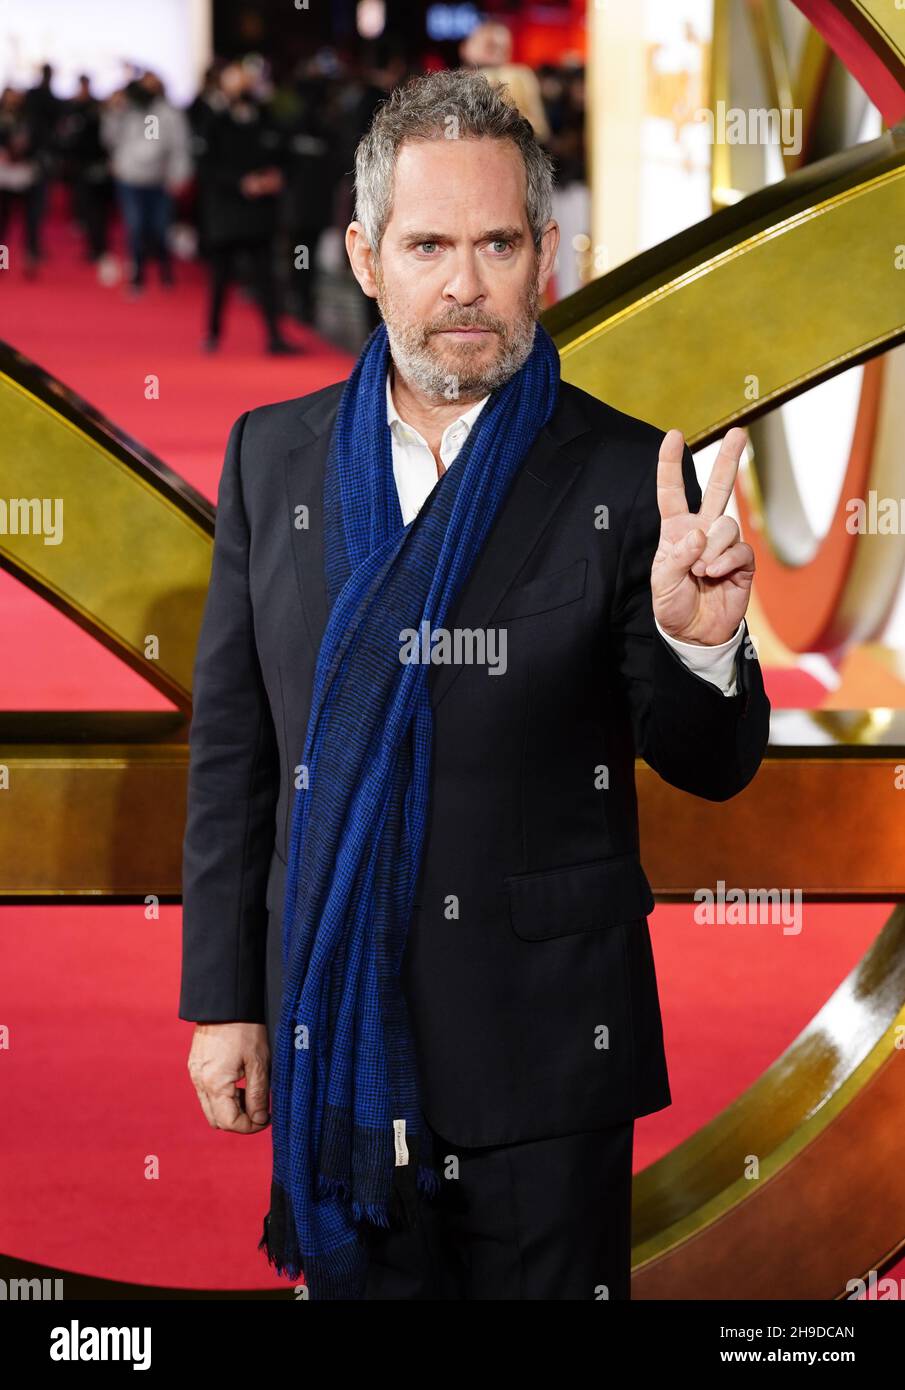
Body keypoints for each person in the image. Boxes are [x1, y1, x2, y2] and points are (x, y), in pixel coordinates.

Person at [179, 69, 770, 1301]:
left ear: (543, 254)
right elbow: (236, 755)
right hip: (334, 1032)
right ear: (363, 253)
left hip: (548, 1050)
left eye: (496, 242)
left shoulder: (623, 474)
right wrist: (224, 1002)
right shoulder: (269, 457)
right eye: (428, 244)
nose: (462, 284)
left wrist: (699, 642)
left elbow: (710, 765)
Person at [195, 61, 298, 354]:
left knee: (267, 276)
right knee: (221, 276)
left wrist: (277, 178)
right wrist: (241, 183)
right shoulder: (215, 123)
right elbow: (207, 168)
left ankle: (274, 335)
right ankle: (212, 333)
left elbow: (287, 157)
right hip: (226, 213)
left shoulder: (267, 120)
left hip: (260, 215)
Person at [100, 71, 192, 292]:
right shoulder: (126, 111)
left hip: (160, 180)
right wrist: (113, 112)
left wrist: (179, 176)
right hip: (130, 179)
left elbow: (180, 147)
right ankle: (138, 276)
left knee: (160, 228)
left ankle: (165, 270)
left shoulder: (169, 114)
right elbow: (109, 139)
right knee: (136, 227)